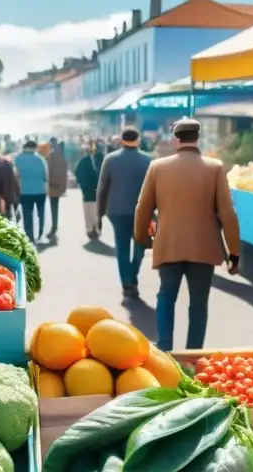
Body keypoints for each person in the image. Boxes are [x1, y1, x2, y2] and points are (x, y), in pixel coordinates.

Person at [135, 118, 240, 351]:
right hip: (204, 248)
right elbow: (228, 214)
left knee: (166, 296)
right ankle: (193, 353)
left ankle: (165, 348)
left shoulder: (158, 167)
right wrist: (234, 252)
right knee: (199, 303)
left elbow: (142, 208)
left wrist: (141, 237)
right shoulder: (215, 168)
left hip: (168, 245)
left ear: (176, 138)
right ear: (198, 137)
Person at [97, 128, 152, 297]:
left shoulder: (110, 159)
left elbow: (102, 187)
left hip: (116, 210)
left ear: (121, 140)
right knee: (140, 246)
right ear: (138, 139)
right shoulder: (148, 160)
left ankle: (127, 283)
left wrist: (99, 213)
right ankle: (132, 274)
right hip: (141, 211)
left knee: (121, 247)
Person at [14, 140, 48, 242]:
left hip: (24, 192)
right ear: (34, 148)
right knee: (40, 214)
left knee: (27, 215)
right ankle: (41, 234)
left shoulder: (19, 159)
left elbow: (17, 174)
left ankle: (30, 236)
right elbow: (45, 176)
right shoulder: (40, 159)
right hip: (40, 191)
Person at [75, 140, 103, 240]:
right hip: (87, 190)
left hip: (99, 189)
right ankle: (89, 229)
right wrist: (82, 184)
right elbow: (78, 173)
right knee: (88, 210)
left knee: (98, 210)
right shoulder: (83, 160)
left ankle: (97, 227)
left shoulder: (101, 159)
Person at [46, 137, 68, 241]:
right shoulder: (63, 157)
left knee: (53, 207)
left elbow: (47, 171)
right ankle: (54, 226)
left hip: (52, 185)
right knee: (55, 207)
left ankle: (54, 227)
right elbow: (64, 173)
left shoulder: (51, 156)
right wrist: (63, 187)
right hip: (58, 185)